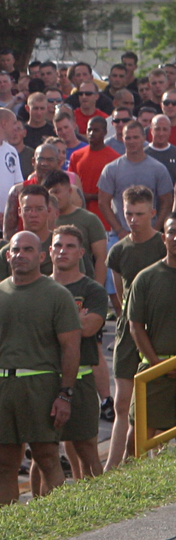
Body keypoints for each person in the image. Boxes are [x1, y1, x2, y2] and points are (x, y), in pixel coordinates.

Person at [0, 230, 80, 509]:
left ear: (42, 257)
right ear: (7, 256)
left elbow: (70, 347)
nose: (21, 255)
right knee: (4, 464)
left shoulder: (57, 295)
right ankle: (6, 526)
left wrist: (65, 393)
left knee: (46, 457)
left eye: (28, 250)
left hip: (40, 385)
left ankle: (56, 520)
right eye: (16, 250)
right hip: (1, 385)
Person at [106, 189, 166, 471]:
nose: (133, 220)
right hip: (127, 332)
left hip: (157, 331)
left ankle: (154, 463)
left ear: (152, 214)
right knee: (122, 405)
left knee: (157, 404)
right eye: (128, 213)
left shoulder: (162, 245)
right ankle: (113, 468)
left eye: (139, 214)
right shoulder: (118, 250)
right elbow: (120, 295)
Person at [47, 225, 108, 481]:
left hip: (81, 379)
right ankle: (43, 511)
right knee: (44, 452)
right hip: (44, 377)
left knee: (86, 447)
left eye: (70, 246)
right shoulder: (40, 287)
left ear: (81, 252)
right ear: (49, 251)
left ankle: (100, 509)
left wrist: (52, 323)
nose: (63, 251)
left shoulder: (93, 290)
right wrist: (75, 318)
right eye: (58, 246)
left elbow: (89, 327)